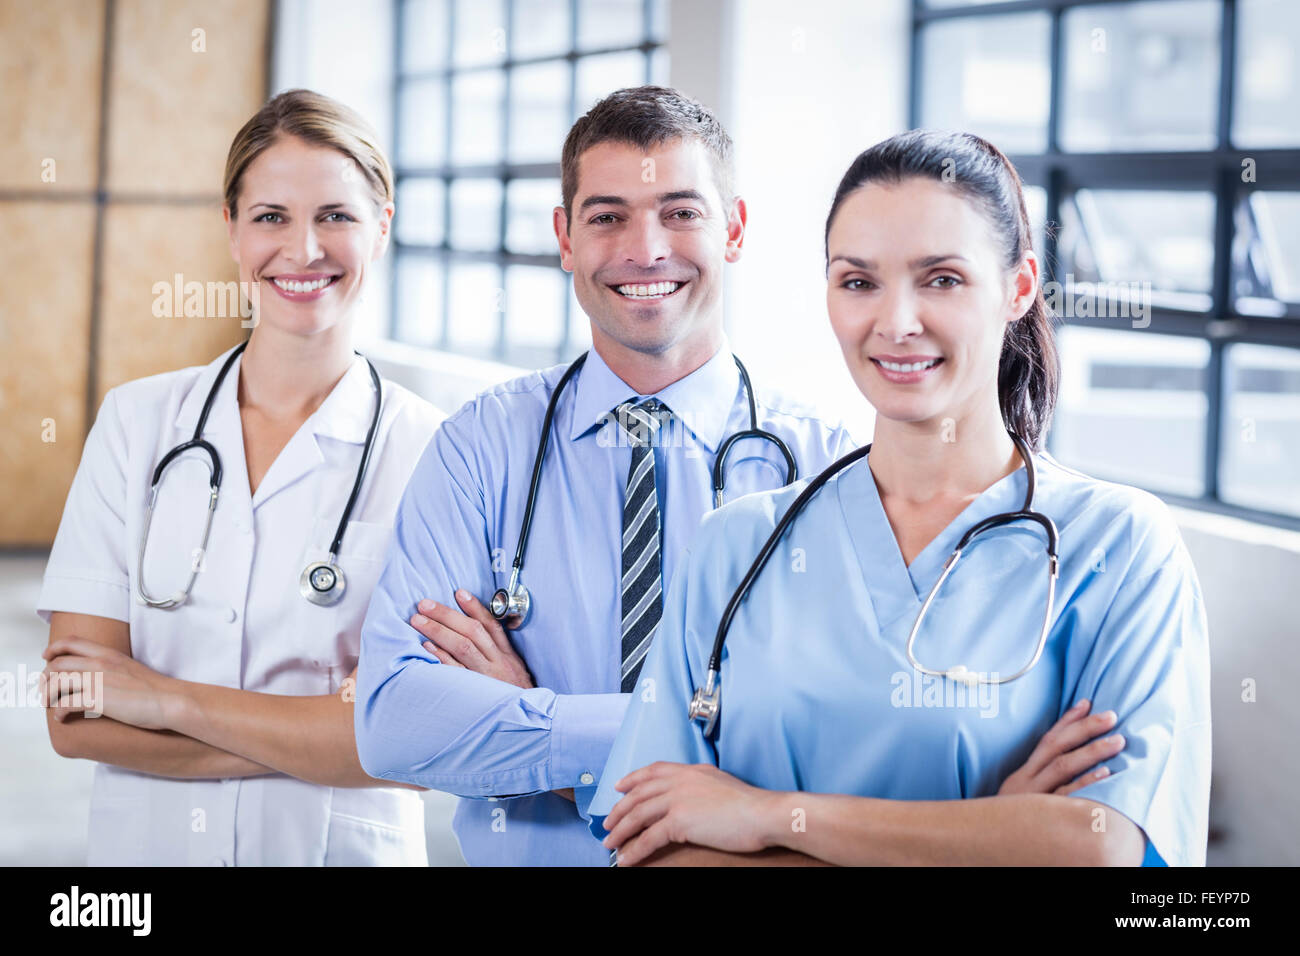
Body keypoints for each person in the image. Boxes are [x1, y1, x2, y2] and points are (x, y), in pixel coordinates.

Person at [354, 90, 1125, 866]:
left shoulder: (829, 470)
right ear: (565, 237)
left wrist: (528, 719)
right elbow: (393, 725)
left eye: (681, 212)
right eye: (607, 216)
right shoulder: (480, 447)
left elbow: (867, 759)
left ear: (734, 229)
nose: (645, 249)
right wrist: (687, 754)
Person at [589, 129, 1211, 867]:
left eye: (941, 279)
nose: (896, 323)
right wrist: (988, 834)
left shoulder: (1118, 546)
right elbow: (649, 848)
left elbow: (1101, 850)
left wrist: (767, 817)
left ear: (1019, 287)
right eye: (859, 282)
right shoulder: (736, 544)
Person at [38, 89, 442, 866]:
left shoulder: (434, 451)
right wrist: (327, 735)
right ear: (230, 229)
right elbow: (75, 716)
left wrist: (161, 699)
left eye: (336, 215)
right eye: (270, 217)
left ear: (383, 226)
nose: (303, 249)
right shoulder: (137, 424)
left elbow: (422, 740)